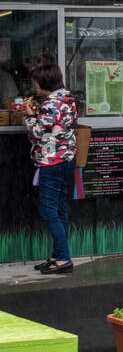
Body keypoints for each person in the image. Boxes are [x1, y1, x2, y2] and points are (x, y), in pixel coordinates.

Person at [24, 63, 78, 274]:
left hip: (52, 161)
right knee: (59, 209)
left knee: (48, 211)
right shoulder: (67, 97)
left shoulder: (50, 103)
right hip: (66, 159)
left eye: (36, 81)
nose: (34, 84)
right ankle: (58, 255)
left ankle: (63, 258)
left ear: (43, 82)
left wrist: (29, 115)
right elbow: (54, 125)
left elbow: (38, 132)